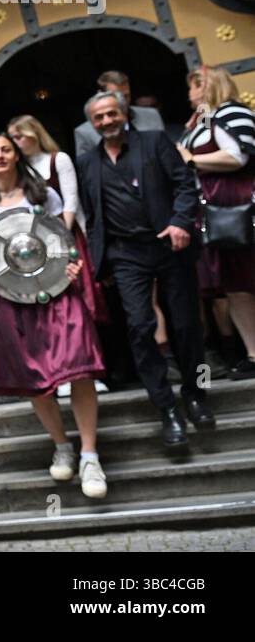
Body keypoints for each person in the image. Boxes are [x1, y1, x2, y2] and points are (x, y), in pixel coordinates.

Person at [0, 133, 108, 499]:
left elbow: (64, 241)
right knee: (33, 376)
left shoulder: (44, 194)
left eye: (5, 150)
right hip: (12, 299)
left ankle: (90, 455)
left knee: (79, 370)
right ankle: (62, 444)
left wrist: (73, 266)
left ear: (16, 155)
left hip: (58, 292)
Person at [77, 90, 216, 451]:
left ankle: (195, 394)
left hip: (170, 245)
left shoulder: (155, 142)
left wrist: (181, 222)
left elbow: (185, 185)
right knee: (140, 328)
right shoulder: (88, 162)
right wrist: (100, 260)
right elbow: (92, 215)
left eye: (111, 114)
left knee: (186, 325)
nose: (106, 121)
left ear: (124, 115)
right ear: (92, 124)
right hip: (125, 255)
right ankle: (167, 408)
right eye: (99, 117)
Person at [8, 114, 113, 392]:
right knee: (51, 308)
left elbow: (70, 201)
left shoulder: (58, 159)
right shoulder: (20, 170)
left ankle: (92, 372)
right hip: (35, 247)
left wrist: (61, 239)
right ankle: (62, 373)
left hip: (66, 238)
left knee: (80, 304)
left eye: (18, 136)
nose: (15, 143)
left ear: (33, 134)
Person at [178, 66, 255, 379]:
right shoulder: (206, 119)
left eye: (193, 87)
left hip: (238, 206)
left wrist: (190, 159)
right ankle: (252, 353)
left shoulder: (232, 112)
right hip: (219, 211)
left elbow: (238, 156)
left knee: (247, 277)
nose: (188, 94)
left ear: (206, 85)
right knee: (236, 286)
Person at [74, 70, 166, 158]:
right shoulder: (85, 133)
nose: (123, 102)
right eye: (116, 96)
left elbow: (165, 151)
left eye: (126, 96)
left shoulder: (151, 115)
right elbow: (88, 168)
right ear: (101, 94)